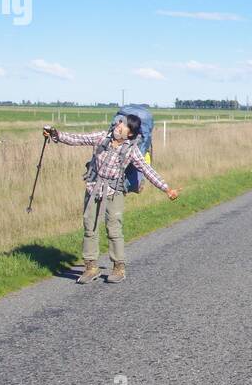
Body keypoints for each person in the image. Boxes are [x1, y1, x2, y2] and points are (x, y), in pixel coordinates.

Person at [43, 115, 179, 284]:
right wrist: (56, 134)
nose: (119, 125)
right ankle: (91, 267)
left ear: (130, 134)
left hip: (114, 191)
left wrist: (166, 189)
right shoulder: (102, 137)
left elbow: (147, 170)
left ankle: (118, 268)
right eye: (120, 122)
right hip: (93, 187)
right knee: (89, 227)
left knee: (113, 229)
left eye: (123, 124)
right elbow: (77, 139)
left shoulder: (132, 149)